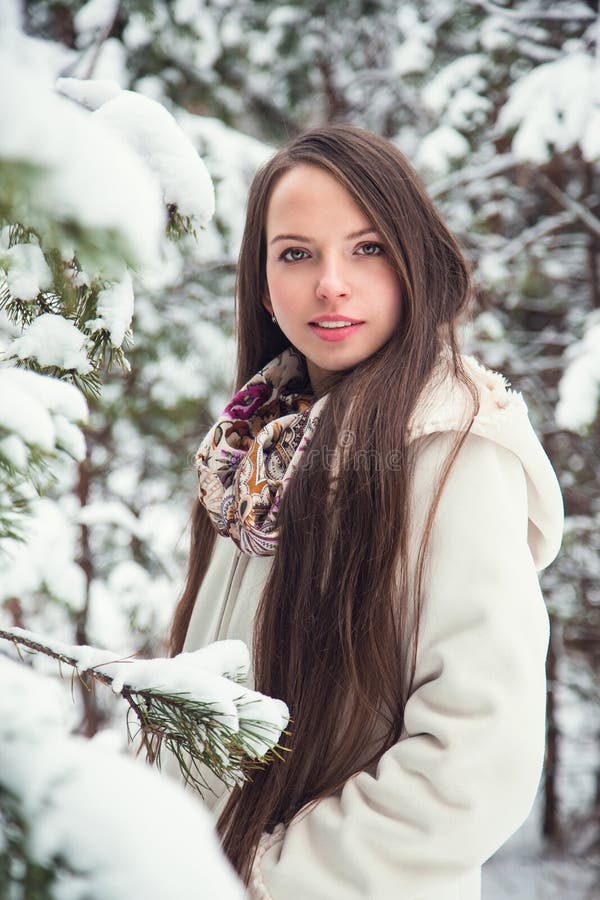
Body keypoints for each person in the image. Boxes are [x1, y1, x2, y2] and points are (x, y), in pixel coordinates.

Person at [168, 124, 563, 900]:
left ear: (415, 261)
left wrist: (268, 876)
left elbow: (477, 752)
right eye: (297, 252)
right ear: (261, 280)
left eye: (368, 247)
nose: (332, 284)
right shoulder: (253, 452)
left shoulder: (449, 446)